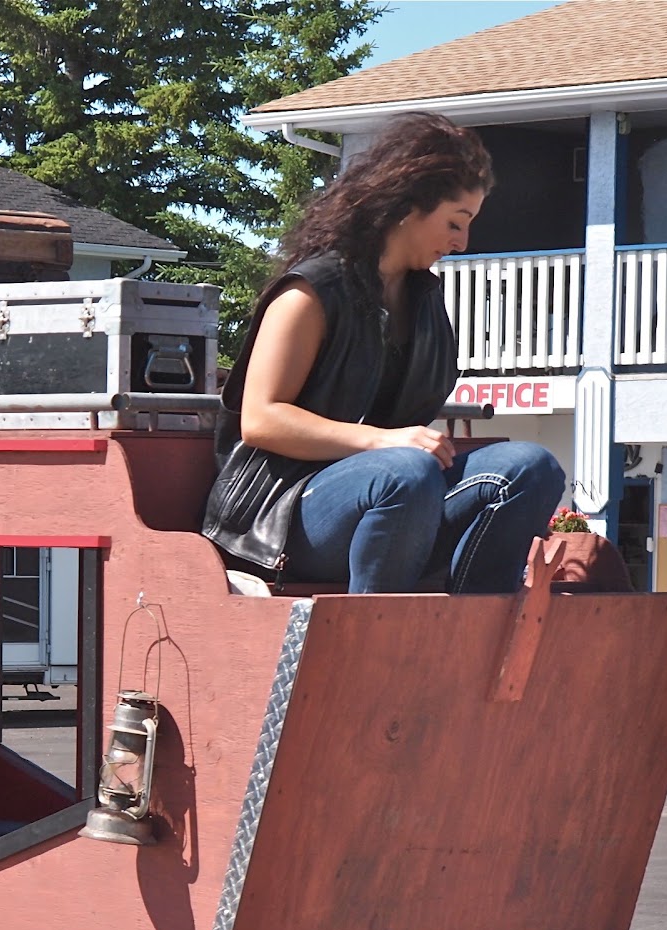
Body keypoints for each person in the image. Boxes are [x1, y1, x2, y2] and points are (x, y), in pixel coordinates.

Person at [202, 113, 565, 594]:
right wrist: (381, 440)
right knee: (405, 471)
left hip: (395, 498)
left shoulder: (424, 302)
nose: (462, 243)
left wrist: (393, 447)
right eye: (456, 223)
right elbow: (262, 420)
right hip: (282, 513)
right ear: (408, 206)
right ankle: (377, 639)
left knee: (531, 467)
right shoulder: (311, 292)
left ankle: (479, 627)